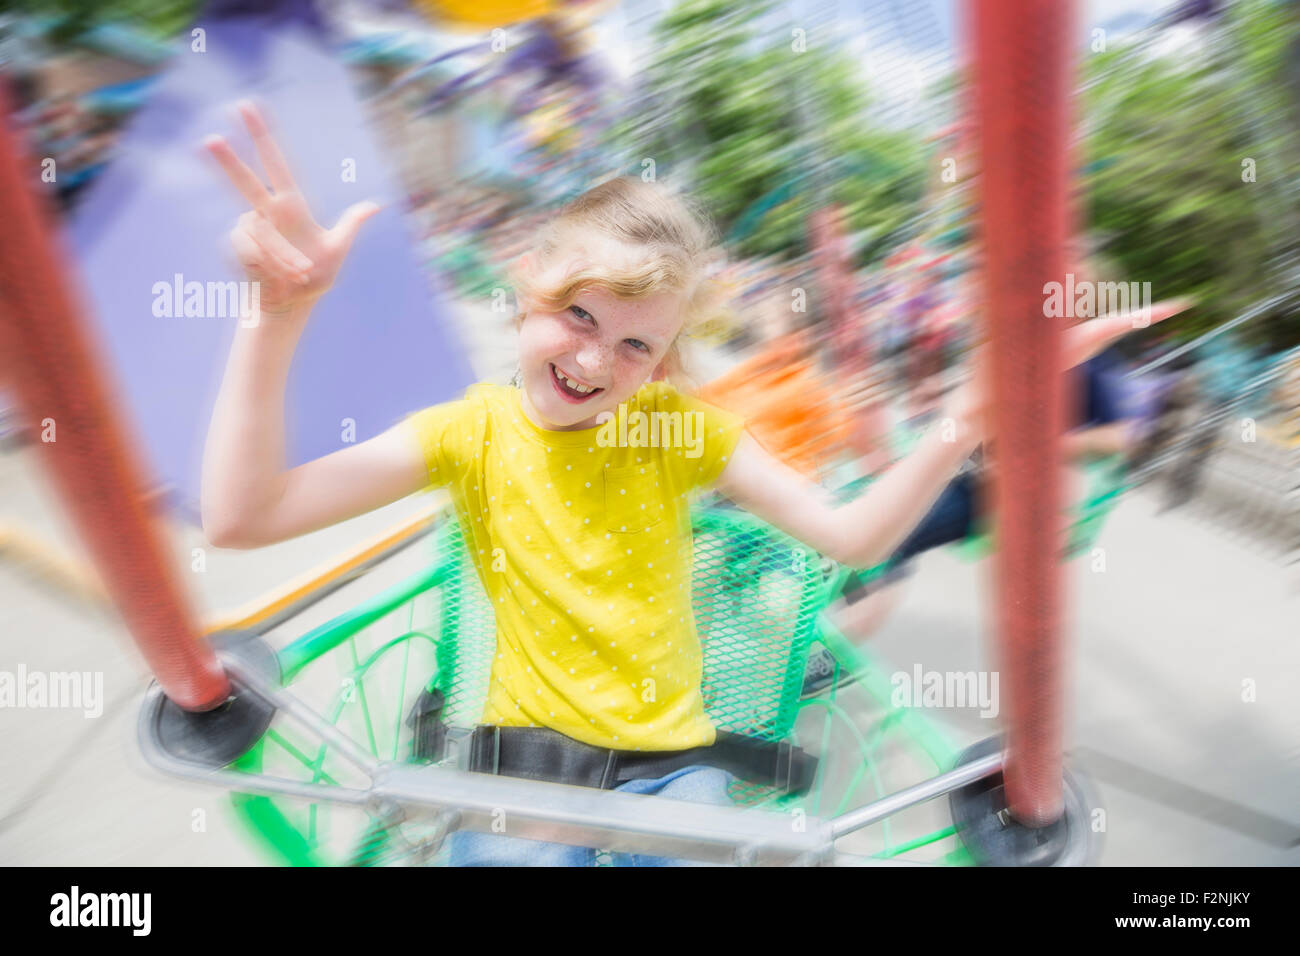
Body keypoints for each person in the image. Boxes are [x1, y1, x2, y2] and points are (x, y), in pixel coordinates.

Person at [200, 102, 1186, 865]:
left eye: (635, 343)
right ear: (531, 284)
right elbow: (242, 515)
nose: (595, 360)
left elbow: (849, 540)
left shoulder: (678, 431)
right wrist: (273, 319)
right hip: (522, 765)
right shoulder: (469, 433)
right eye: (579, 315)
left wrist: (959, 424)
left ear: (666, 360)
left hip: (672, 770)